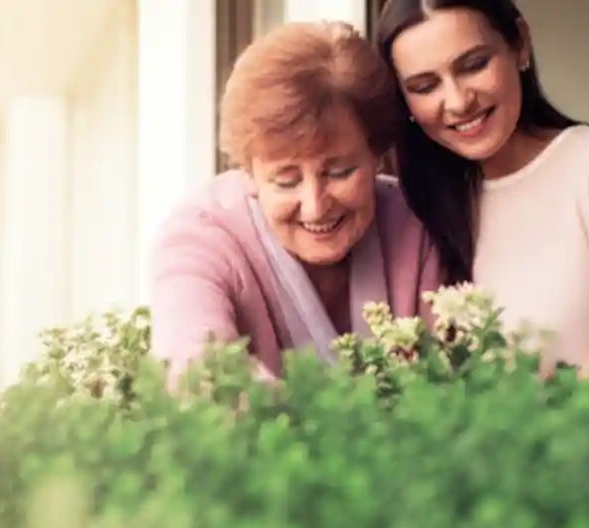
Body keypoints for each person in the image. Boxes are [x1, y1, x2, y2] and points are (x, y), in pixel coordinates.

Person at [375, 0, 589, 372]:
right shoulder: (414, 208)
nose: (458, 102)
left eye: (474, 65)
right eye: (425, 86)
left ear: (520, 44)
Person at [150, 21, 444, 380]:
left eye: (339, 173)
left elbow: (449, 373)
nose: (315, 206)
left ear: (377, 155)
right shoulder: (199, 236)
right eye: (286, 180)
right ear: (249, 173)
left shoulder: (414, 223)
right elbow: (197, 368)